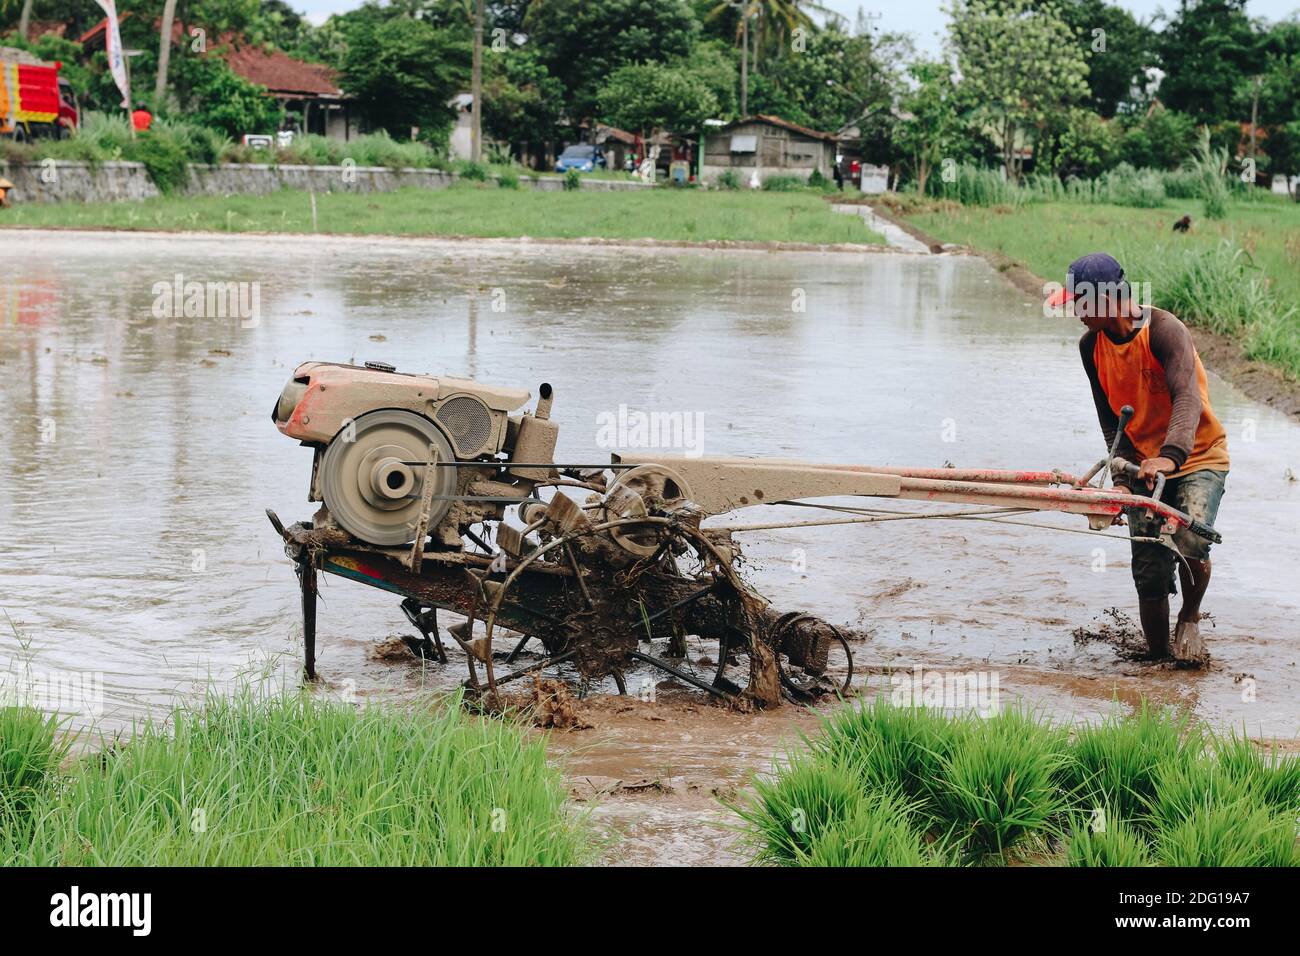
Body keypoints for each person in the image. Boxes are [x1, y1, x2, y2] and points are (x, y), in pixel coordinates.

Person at [1048, 253, 1229, 664]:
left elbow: (1188, 397)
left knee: (1190, 542)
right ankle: (1158, 663)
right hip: (1142, 462)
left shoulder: (1165, 331)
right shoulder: (1090, 346)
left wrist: (1170, 457)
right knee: (1148, 568)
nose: (1075, 312)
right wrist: (1121, 477)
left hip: (1198, 454)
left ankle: (1190, 615)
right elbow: (1112, 421)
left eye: (1080, 303)